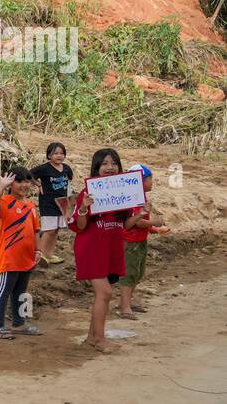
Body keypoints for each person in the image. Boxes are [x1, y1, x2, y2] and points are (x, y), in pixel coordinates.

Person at [69, 148, 129, 354]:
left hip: (110, 249)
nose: (110, 167)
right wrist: (84, 208)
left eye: (113, 163)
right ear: (96, 167)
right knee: (105, 292)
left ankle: (91, 338)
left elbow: (127, 223)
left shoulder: (125, 192)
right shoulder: (88, 194)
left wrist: (143, 214)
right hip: (91, 249)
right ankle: (100, 340)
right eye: (104, 164)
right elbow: (81, 225)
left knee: (102, 295)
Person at [0, 167, 44, 339]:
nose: (24, 185)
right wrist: (1, 187)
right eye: (19, 181)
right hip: (9, 256)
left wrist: (38, 249)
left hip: (27, 257)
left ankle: (19, 323)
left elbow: (36, 231)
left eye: (27, 181)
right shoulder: (5, 201)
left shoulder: (31, 206)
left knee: (22, 291)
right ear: (11, 183)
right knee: (3, 290)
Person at [118, 163, 166, 320]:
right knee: (129, 274)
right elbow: (137, 222)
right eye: (150, 179)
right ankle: (125, 307)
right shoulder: (134, 198)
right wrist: (154, 223)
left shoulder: (140, 197)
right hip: (130, 241)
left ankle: (127, 303)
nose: (152, 182)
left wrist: (153, 229)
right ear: (141, 181)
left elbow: (141, 220)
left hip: (138, 240)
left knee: (137, 273)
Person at [30, 142, 73, 265]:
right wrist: (38, 185)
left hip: (63, 203)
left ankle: (48, 254)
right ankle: (40, 255)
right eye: (55, 153)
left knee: (56, 230)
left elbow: (69, 179)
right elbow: (29, 174)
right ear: (49, 155)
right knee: (49, 230)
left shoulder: (66, 168)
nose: (59, 156)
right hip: (48, 203)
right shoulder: (45, 168)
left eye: (61, 153)